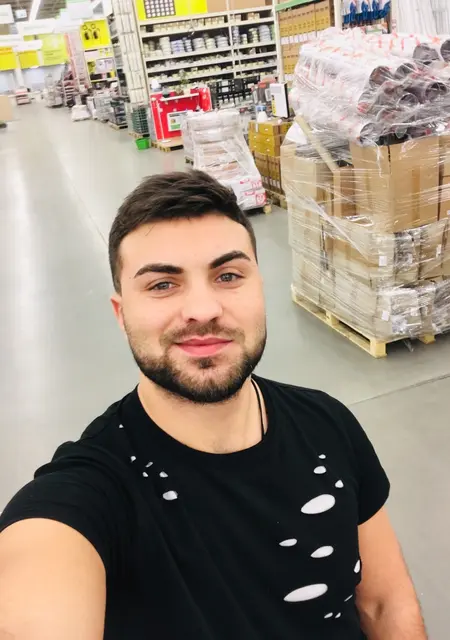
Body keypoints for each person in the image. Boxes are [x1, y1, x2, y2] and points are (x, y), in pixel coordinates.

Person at [0, 170, 426, 640]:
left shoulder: (328, 424)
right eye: (162, 284)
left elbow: (384, 603)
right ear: (122, 315)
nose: (202, 310)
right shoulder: (93, 493)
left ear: (260, 288)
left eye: (228, 276)